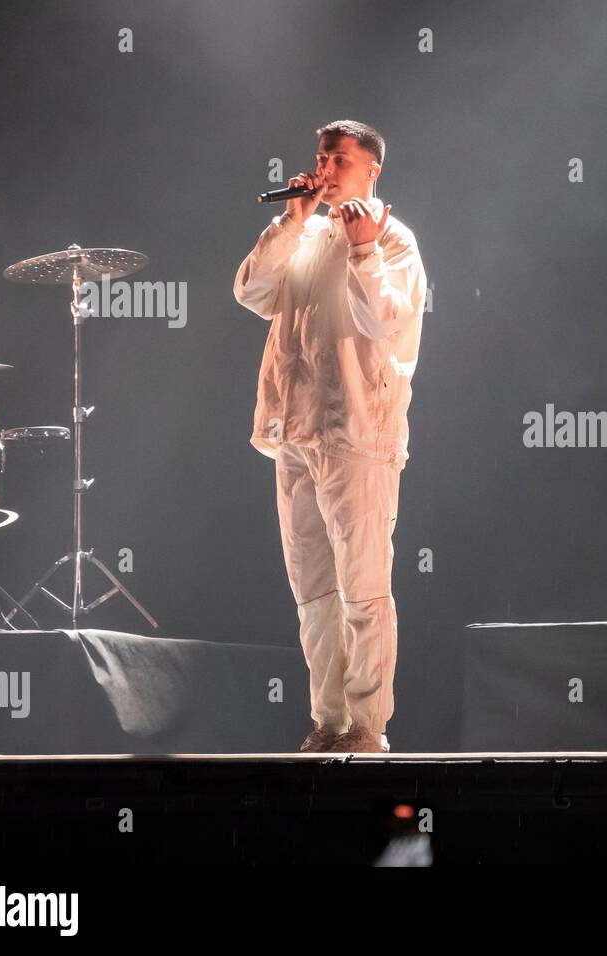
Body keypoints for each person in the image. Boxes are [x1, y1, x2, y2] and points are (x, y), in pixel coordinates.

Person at [234, 120, 427, 753]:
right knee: (313, 586)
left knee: (364, 585)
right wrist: (291, 220)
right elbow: (252, 292)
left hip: (358, 434)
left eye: (340, 159)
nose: (325, 168)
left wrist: (365, 250)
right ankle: (331, 722)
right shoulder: (307, 233)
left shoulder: (395, 240)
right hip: (295, 430)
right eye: (322, 157)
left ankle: (370, 727)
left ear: (373, 170)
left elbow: (383, 319)